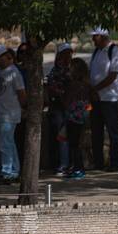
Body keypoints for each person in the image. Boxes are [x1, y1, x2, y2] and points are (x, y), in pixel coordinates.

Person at [0, 46, 26, 185]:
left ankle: (7, 172)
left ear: (5, 56)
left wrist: (24, 108)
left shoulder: (14, 72)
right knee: (9, 144)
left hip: (9, 114)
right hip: (0, 113)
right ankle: (14, 170)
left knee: (5, 144)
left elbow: (21, 93)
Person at [89, 27, 118, 171]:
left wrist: (96, 89)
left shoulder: (114, 51)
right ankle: (98, 163)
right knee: (96, 132)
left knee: (113, 133)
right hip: (96, 99)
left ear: (102, 36)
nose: (92, 39)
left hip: (109, 98)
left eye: (94, 36)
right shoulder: (96, 52)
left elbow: (112, 76)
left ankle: (115, 163)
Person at [63, 56, 92, 180]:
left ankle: (78, 168)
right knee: (77, 144)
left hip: (73, 118)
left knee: (74, 144)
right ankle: (77, 167)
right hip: (82, 118)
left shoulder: (73, 85)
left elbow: (66, 102)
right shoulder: (86, 85)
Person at [45, 45, 73, 176]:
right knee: (61, 136)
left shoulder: (68, 69)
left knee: (63, 136)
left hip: (66, 108)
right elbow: (54, 89)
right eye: (66, 53)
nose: (69, 56)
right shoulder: (58, 70)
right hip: (59, 108)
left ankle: (64, 164)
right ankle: (63, 164)